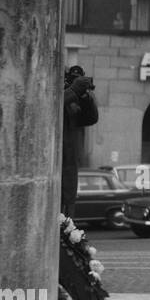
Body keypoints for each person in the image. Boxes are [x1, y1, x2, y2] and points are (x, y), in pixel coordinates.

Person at [61, 65, 99, 215]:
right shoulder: (62, 92)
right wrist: (73, 90)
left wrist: (85, 97)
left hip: (69, 166)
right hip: (55, 162)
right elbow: (52, 104)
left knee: (67, 213)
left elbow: (91, 118)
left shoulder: (75, 99)